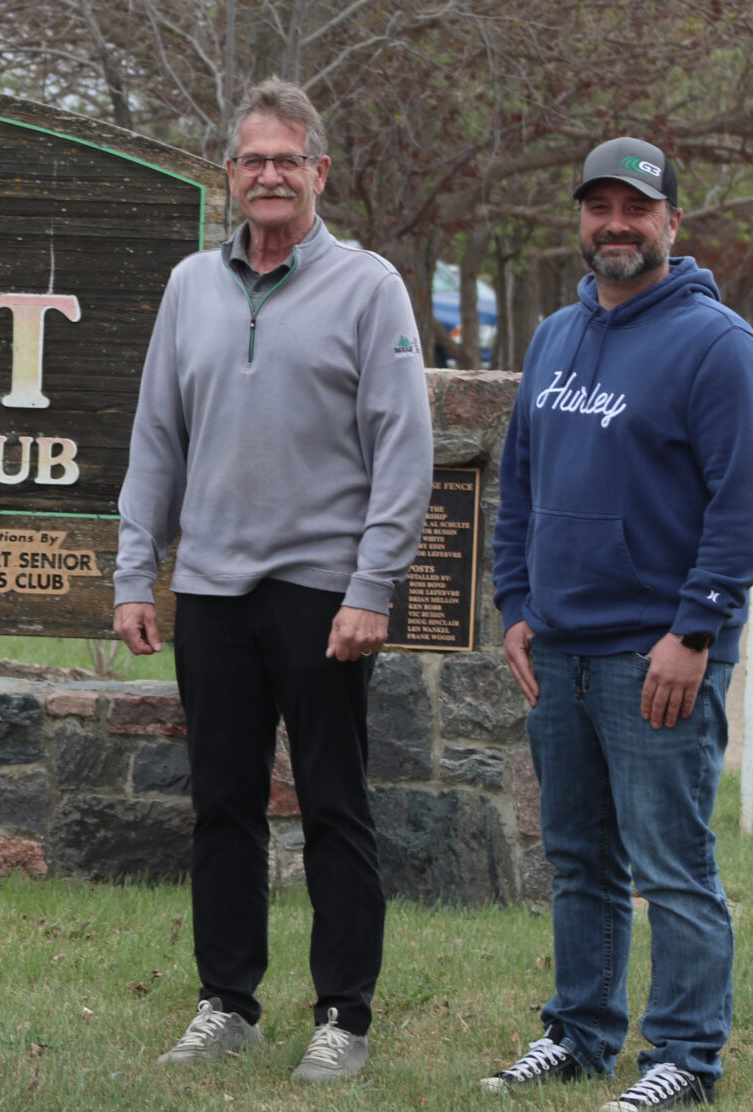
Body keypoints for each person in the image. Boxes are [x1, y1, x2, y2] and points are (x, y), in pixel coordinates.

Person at [112, 77, 433, 1084]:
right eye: (252, 159)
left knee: (334, 801)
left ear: (319, 172)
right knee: (222, 804)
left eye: (287, 159)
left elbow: (404, 445)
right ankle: (228, 1002)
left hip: (321, 592)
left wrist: (373, 584)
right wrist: (136, 569)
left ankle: (344, 1013)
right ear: (230, 175)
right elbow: (156, 438)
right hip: (210, 589)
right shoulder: (189, 289)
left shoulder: (369, 287)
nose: (269, 176)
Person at [484, 137, 753, 1111]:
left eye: (636, 208)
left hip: (654, 656)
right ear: (581, 217)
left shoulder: (716, 346)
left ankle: (686, 1056)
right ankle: (578, 1033)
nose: (616, 223)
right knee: (578, 859)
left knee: (672, 861)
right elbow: (521, 480)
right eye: (599, 205)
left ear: (671, 223)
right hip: (559, 649)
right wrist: (516, 605)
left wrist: (693, 633)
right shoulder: (558, 338)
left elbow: (744, 510)